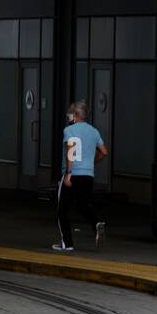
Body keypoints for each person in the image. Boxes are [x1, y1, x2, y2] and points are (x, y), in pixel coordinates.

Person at [53, 101, 108, 251]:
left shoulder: (69, 130)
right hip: (88, 175)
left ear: (76, 115)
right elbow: (104, 152)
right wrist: (91, 162)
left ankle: (67, 243)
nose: (69, 115)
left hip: (72, 174)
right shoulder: (94, 131)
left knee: (62, 210)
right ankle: (96, 223)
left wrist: (69, 174)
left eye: (71, 112)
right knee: (83, 205)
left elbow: (71, 149)